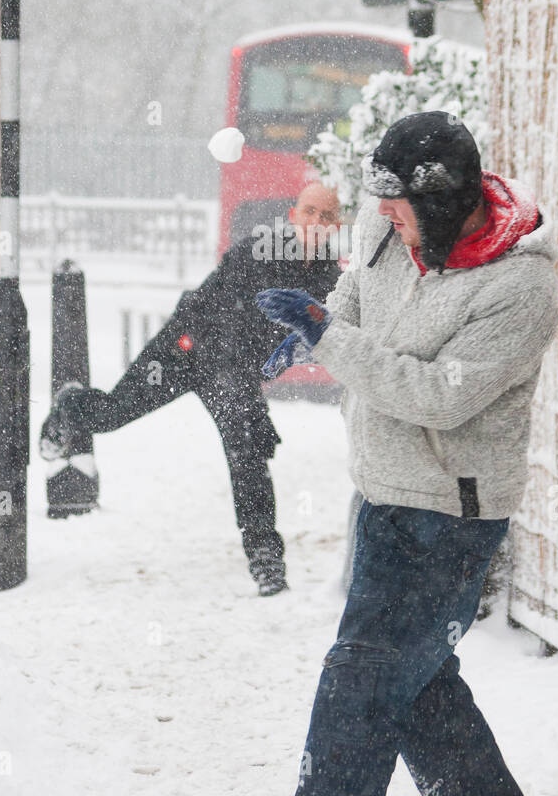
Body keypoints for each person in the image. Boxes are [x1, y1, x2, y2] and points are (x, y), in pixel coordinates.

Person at [256, 111, 558, 796]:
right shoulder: (388, 226)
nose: (385, 220)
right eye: (382, 206)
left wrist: (328, 336)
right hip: (382, 496)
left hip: (448, 517)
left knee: (356, 692)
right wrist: (328, 327)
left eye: (400, 208)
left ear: (443, 201)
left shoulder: (520, 287)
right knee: (420, 697)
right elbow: (354, 294)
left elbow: (437, 396)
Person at [39, 181, 342, 596]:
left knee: (247, 455)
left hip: (232, 373)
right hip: (187, 346)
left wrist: (252, 398)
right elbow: (223, 314)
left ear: (337, 224)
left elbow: (318, 337)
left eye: (326, 216)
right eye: (309, 212)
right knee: (111, 414)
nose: (316, 223)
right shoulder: (259, 250)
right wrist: (250, 400)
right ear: (293, 216)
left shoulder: (329, 281)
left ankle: (266, 561)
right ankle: (69, 405)